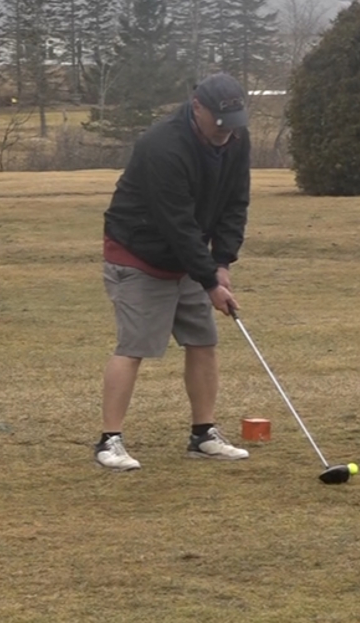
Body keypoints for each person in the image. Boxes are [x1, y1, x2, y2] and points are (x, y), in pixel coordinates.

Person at [95, 72, 253, 471]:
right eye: (219, 124)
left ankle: (203, 434)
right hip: (138, 251)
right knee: (135, 345)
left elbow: (235, 203)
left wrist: (222, 262)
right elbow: (176, 223)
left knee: (203, 340)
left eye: (233, 125)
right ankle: (109, 441)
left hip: (189, 255)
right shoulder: (161, 146)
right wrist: (209, 280)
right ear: (197, 107)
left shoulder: (236, 137)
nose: (226, 133)